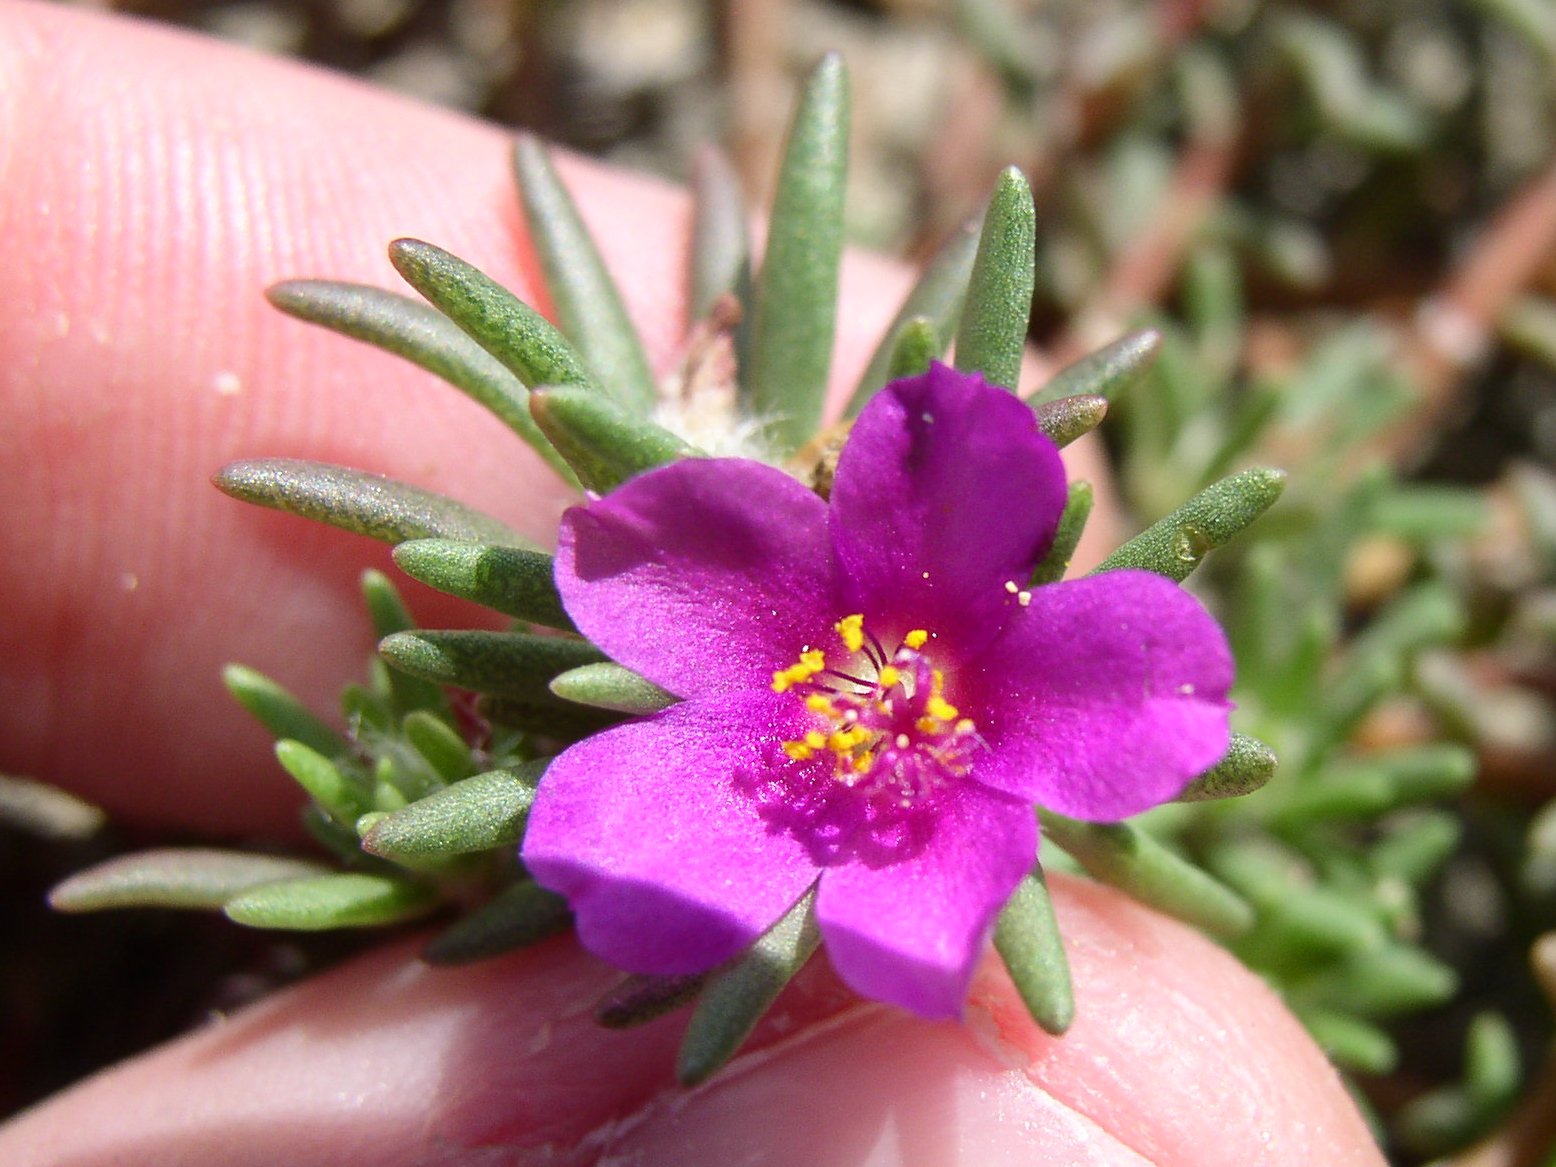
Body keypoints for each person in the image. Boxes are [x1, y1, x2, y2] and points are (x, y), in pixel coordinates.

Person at [0, 2, 1385, 1161]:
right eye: (874, 682)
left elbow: (1125, 662)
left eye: (900, 688)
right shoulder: (722, 602)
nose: (885, 701)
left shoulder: (1042, 654)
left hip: (941, 821)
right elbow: (636, 547)